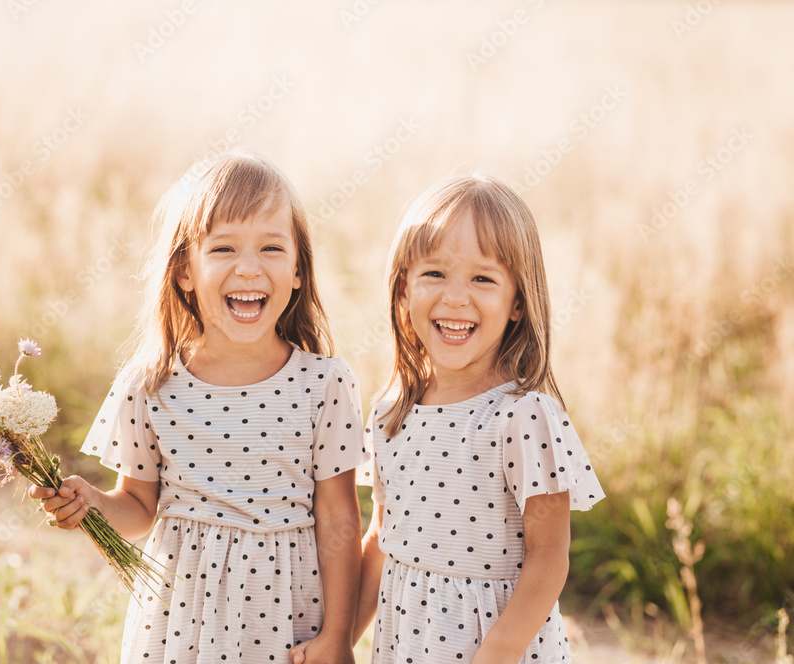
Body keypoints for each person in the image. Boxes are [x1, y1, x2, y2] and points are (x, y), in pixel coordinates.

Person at [32, 150, 367, 664]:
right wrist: (92, 505)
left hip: (287, 620)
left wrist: (339, 635)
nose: (249, 267)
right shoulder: (150, 384)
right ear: (185, 271)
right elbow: (139, 508)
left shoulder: (324, 384)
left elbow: (338, 516)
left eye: (272, 248)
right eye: (225, 247)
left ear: (299, 270)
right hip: (179, 622)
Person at [307, 174, 604, 663]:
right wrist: (339, 639)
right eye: (435, 274)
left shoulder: (523, 416)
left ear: (517, 303)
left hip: (495, 648)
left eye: (483, 279)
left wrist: (498, 653)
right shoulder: (390, 414)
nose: (455, 298)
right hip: (409, 644)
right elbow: (383, 540)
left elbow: (549, 555)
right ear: (404, 291)